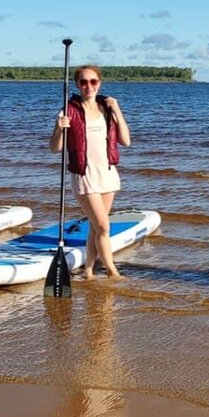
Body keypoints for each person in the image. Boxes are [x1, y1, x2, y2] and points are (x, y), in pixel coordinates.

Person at [50, 65, 131, 279]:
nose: (89, 86)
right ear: (77, 85)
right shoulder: (69, 110)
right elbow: (55, 148)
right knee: (104, 225)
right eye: (84, 82)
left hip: (107, 173)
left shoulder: (107, 108)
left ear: (99, 83)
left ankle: (88, 269)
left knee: (96, 228)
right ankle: (112, 271)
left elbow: (126, 140)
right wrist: (59, 129)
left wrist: (118, 110)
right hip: (85, 176)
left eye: (93, 82)